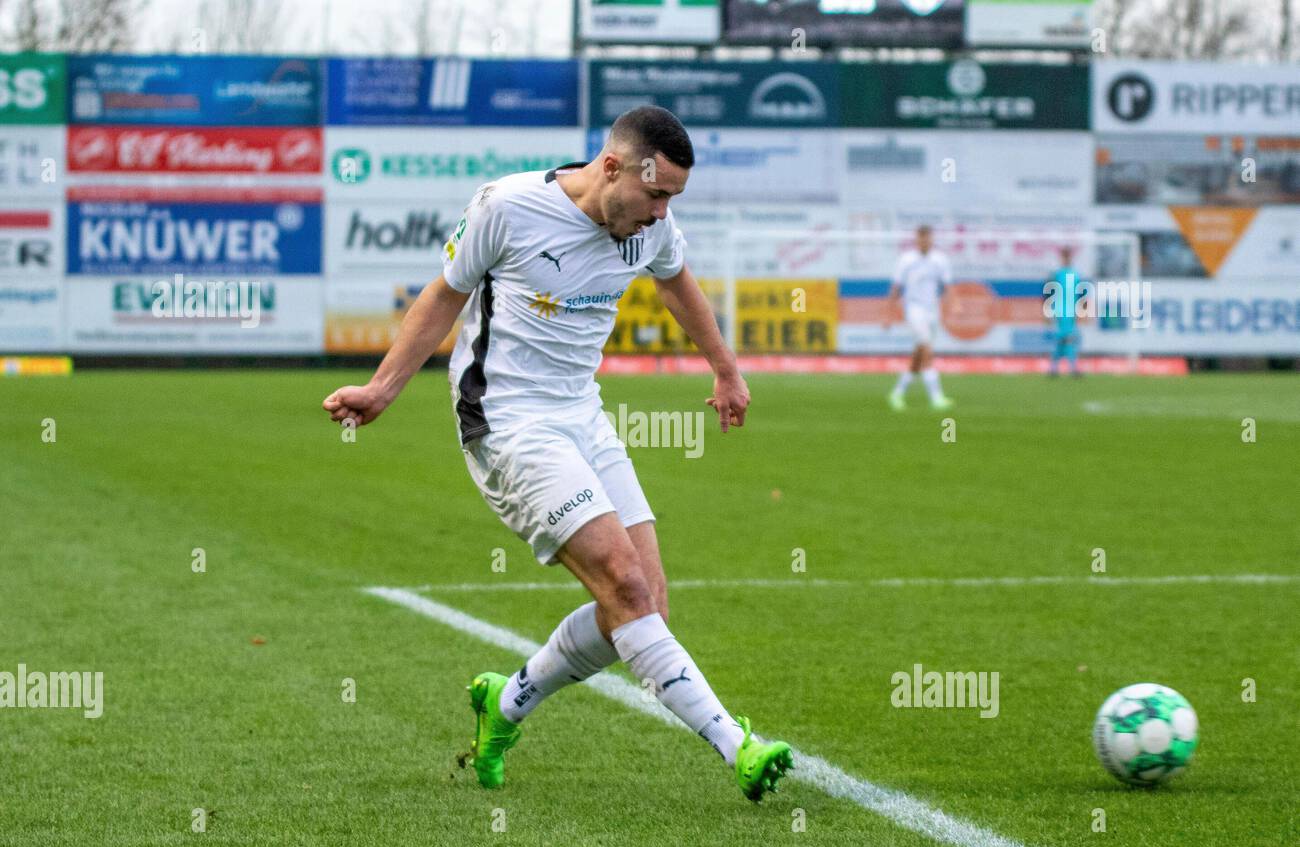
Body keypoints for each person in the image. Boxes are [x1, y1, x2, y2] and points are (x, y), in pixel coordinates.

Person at [322, 106, 793, 802]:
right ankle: (737, 745)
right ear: (611, 168)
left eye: (672, 201)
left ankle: (503, 704)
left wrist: (725, 369)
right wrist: (383, 388)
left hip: (583, 416)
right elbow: (443, 297)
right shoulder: (507, 206)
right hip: (507, 422)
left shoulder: (651, 229)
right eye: (656, 195)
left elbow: (676, 279)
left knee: (645, 605)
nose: (662, 214)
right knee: (625, 589)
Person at [888, 225, 953, 411]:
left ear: (931, 239)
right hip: (914, 309)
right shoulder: (906, 260)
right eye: (921, 238)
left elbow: (947, 285)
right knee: (926, 350)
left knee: (918, 356)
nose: (924, 241)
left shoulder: (940, 260)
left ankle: (898, 392)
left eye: (927, 238)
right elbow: (896, 287)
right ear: (916, 239)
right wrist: (887, 314)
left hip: (932, 310)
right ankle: (936, 397)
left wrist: (954, 303)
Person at [1046, 247, 1084, 377]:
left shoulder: (1075, 275)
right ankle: (1072, 368)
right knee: (1067, 339)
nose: (1066, 259)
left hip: (1071, 311)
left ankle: (1054, 368)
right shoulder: (1057, 275)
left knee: (1064, 340)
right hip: (1061, 311)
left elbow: (1080, 294)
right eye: (1065, 256)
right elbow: (1049, 293)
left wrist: (1079, 310)